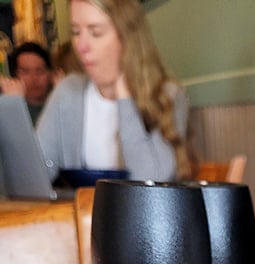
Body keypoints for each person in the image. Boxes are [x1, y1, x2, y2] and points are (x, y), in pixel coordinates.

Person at [37, 0, 193, 183]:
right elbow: (35, 175)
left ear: (127, 36)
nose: (81, 46)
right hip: (82, 210)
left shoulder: (168, 94)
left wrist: (125, 97)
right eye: (76, 32)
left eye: (96, 32)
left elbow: (150, 182)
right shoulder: (68, 91)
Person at [1, 41, 54, 124]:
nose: (33, 79)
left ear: (50, 73)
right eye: (25, 72)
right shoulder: (6, 112)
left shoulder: (60, 105)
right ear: (14, 75)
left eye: (39, 71)